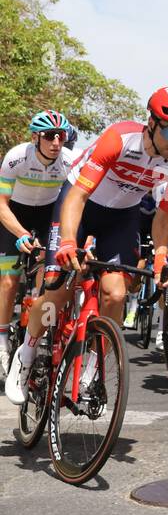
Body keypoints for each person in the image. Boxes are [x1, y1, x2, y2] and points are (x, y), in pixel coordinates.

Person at [6, 87, 168, 404]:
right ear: (151, 122)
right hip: (79, 204)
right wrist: (69, 241)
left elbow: (165, 215)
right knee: (56, 292)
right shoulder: (119, 138)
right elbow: (78, 196)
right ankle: (26, 354)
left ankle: (93, 370)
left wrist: (161, 258)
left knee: (116, 293)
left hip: (122, 216)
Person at [0, 111, 76, 373]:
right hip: (14, 213)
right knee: (9, 280)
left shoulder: (69, 161)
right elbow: (1, 204)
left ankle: (40, 334)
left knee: (50, 280)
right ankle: (1, 341)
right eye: (49, 136)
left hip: (48, 215)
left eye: (61, 136)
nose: (56, 142)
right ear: (36, 137)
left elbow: (75, 203)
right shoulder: (17, 157)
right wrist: (20, 233)